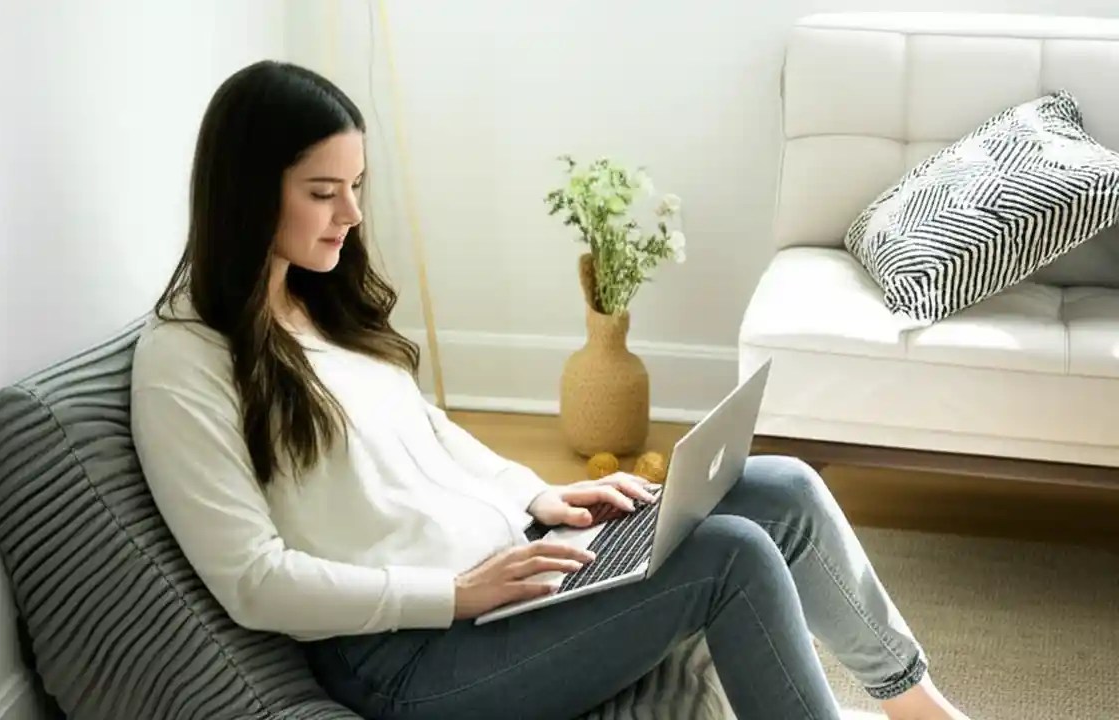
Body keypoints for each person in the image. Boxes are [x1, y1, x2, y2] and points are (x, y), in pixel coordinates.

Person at [129, 60, 971, 720]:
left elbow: (429, 433)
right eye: (323, 192)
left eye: (356, 186)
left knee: (782, 486)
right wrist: (455, 595)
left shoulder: (317, 303)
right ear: (247, 194)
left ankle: (919, 707)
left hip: (507, 573)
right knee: (731, 557)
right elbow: (253, 579)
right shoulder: (185, 362)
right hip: (410, 656)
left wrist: (541, 496)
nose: (350, 214)